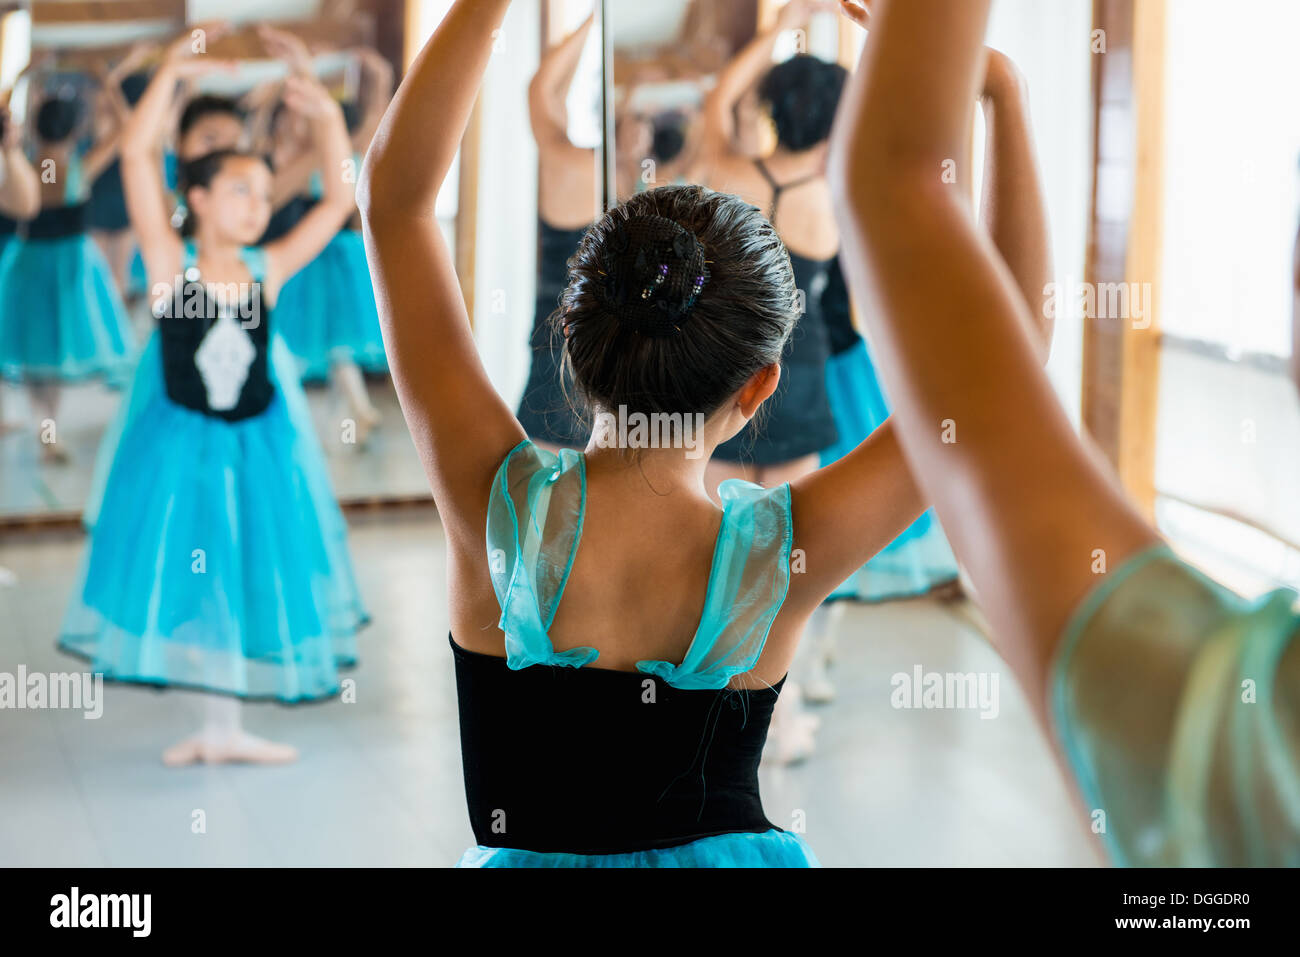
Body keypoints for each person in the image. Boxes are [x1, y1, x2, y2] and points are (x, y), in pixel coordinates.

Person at [358, 0, 1048, 866]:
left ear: (573, 338)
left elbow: (394, 206)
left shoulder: (493, 503)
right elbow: (1005, 364)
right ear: (759, 390)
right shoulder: (785, 555)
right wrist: (1000, 94)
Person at [830, 0, 1299, 866]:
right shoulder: (765, 552)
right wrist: (999, 92)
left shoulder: (1243, 737)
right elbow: (983, 304)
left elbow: (899, 195)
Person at [59, 42, 368, 767]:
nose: (258, 206)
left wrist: (325, 112)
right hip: (181, 444)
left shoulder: (269, 267)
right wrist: (167, 74)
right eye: (240, 192)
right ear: (196, 197)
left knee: (241, 566)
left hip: (260, 442)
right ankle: (214, 723)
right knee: (199, 570)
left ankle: (226, 727)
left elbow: (338, 197)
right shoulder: (173, 266)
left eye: (263, 195)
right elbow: (137, 161)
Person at [0, 81, 135, 462]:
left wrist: (24, 79)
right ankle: (48, 434)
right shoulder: (77, 168)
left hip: (27, 265)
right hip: (70, 271)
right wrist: (108, 84)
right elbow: (128, 128)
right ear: (76, 130)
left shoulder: (23, 167)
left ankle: (31, 425)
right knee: (50, 363)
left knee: (28, 353)